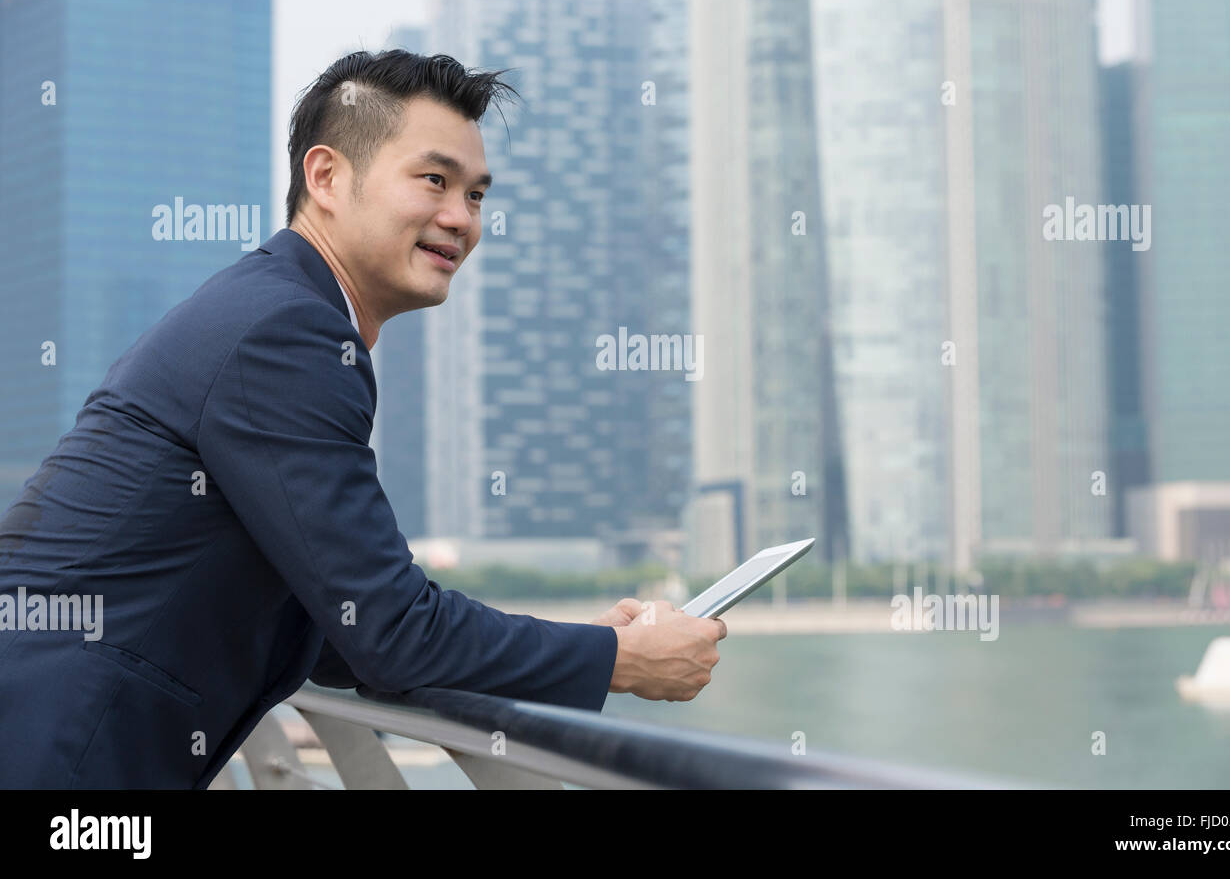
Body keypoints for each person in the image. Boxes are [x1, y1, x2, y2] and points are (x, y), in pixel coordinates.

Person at [0, 50, 726, 789]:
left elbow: (339, 629)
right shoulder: (287, 334)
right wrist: (619, 662)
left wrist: (586, 640)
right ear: (326, 178)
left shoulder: (274, 310)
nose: (460, 219)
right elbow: (390, 630)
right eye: (434, 180)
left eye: (476, 196)